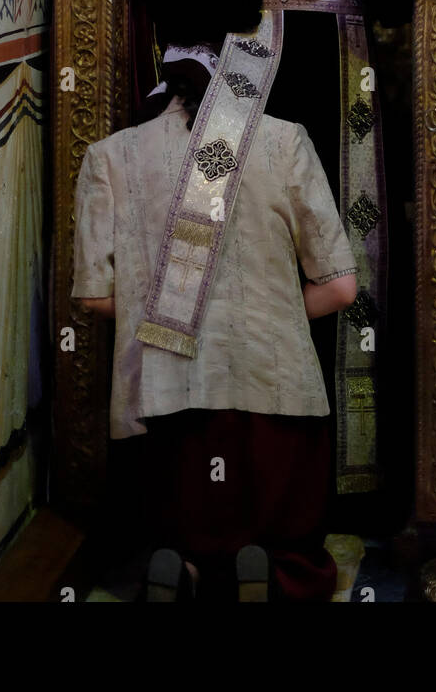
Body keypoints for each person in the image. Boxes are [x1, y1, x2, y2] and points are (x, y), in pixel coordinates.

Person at [144, 0, 422, 512]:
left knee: (340, 285)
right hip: (244, 128)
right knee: (248, 293)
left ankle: (345, 487)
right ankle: (239, 490)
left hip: (343, 124)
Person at [72, 45, 357, 602]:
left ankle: (183, 568)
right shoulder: (283, 140)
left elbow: (94, 297)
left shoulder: (109, 155)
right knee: (286, 538)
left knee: (165, 525)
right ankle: (271, 572)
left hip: (165, 412)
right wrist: (265, 312)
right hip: (274, 407)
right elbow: (341, 287)